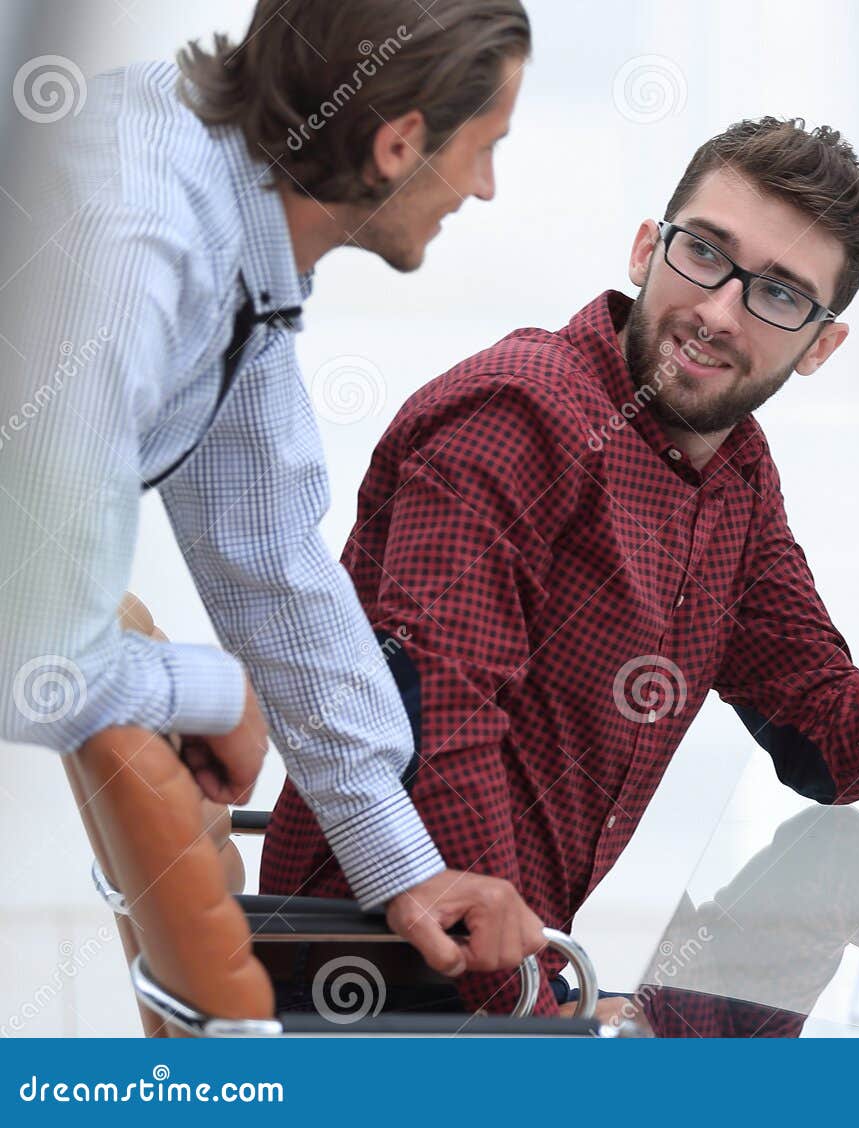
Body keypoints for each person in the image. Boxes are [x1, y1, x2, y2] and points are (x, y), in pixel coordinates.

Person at [261, 117, 859, 1017]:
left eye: (779, 295)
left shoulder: (736, 473)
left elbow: (822, 734)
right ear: (647, 248)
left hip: (522, 981)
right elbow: (439, 740)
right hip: (394, 997)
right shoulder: (519, 415)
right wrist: (550, 1017)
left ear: (820, 346)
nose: (720, 312)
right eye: (704, 254)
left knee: (838, 912)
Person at [0, 0, 543, 981]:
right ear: (398, 143)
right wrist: (214, 691)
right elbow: (29, 647)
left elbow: (270, 559)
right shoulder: (139, 249)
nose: (487, 188)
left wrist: (403, 866)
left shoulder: (221, 208)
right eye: (485, 148)